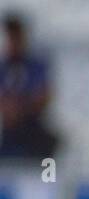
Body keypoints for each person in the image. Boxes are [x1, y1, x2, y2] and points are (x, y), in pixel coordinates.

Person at [0, 14, 57, 159]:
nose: (13, 42)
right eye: (10, 37)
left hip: (32, 131)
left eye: (16, 37)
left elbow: (44, 95)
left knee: (46, 163)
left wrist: (20, 108)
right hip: (7, 134)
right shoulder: (4, 67)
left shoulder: (36, 66)